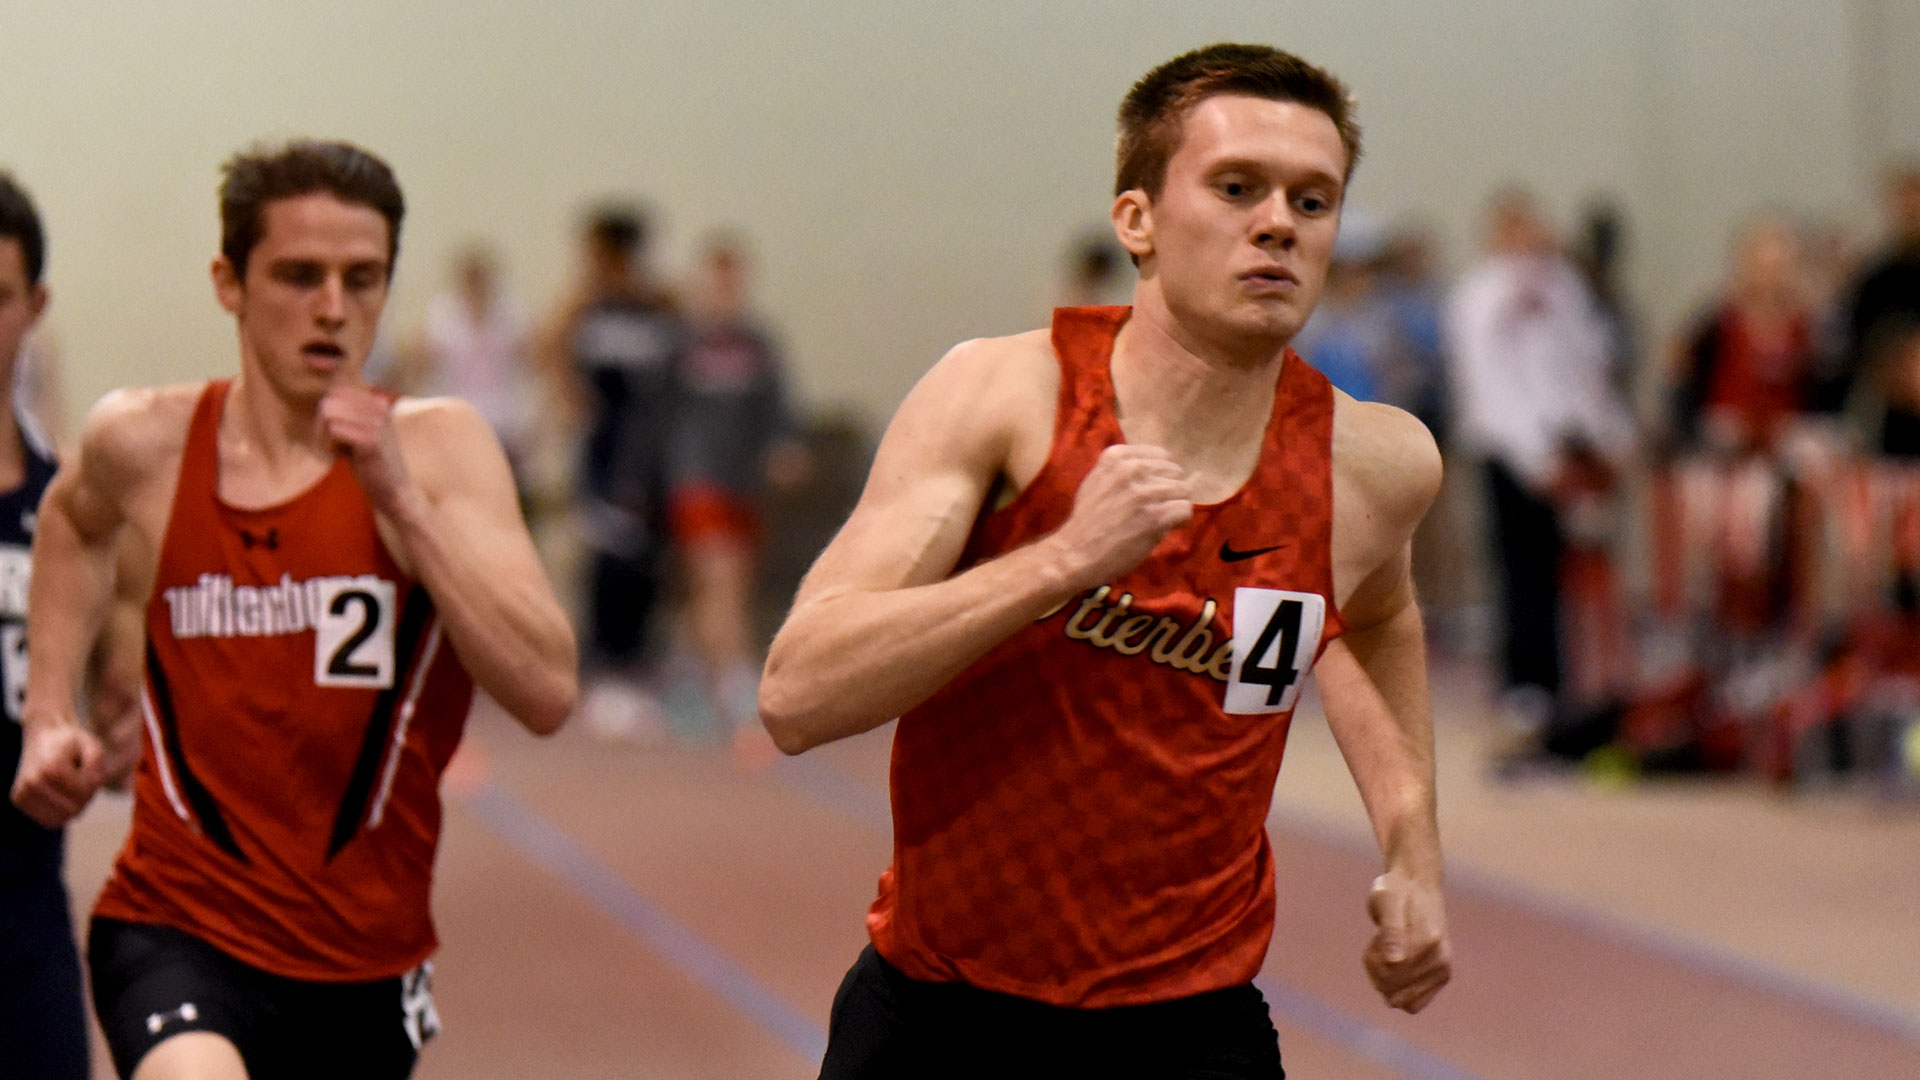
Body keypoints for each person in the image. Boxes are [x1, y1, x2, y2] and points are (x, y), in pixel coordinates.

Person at [759, 44, 1452, 1078]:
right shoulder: (1005, 401)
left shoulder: (1373, 466)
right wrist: (1059, 561)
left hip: (1192, 1029)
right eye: (1235, 188)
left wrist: (1412, 843)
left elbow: (1377, 621)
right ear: (1137, 222)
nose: (1278, 223)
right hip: (944, 1021)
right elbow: (799, 692)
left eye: (1314, 201)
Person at [10, 140, 577, 1080]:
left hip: (363, 959)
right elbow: (71, 521)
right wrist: (48, 714)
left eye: (363, 280)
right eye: (298, 276)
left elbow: (547, 690)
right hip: (175, 923)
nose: (331, 309)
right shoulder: (144, 442)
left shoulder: (442, 453)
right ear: (228, 282)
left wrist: (403, 508)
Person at [1445, 189, 1634, 740]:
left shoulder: (1565, 287)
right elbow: (1485, 383)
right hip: (1509, 452)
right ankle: (1525, 682)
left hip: (1572, 448)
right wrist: (1532, 458)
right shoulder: (1478, 295)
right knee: (1520, 570)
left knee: (1581, 569)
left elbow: (1588, 366)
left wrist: (1608, 434)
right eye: (1515, 231)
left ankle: (1584, 679)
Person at [0, 169, 88, 1080]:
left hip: (22, 926)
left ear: (35, 306)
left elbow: (125, 720)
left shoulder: (72, 512)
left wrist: (97, 746)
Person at [541, 205, 681, 742]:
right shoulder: (584, 306)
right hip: (603, 448)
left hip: (651, 449)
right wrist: (572, 399)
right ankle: (604, 669)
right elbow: (551, 351)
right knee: (606, 555)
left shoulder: (660, 305)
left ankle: (641, 665)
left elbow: (681, 362)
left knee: (646, 558)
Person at [671, 232, 805, 759]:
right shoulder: (684, 344)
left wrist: (783, 446)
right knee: (717, 578)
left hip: (743, 480)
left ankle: (689, 676)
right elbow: (659, 416)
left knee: (729, 585)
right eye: (716, 277)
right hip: (697, 478)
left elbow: (779, 405)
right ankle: (736, 683)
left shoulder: (758, 343)